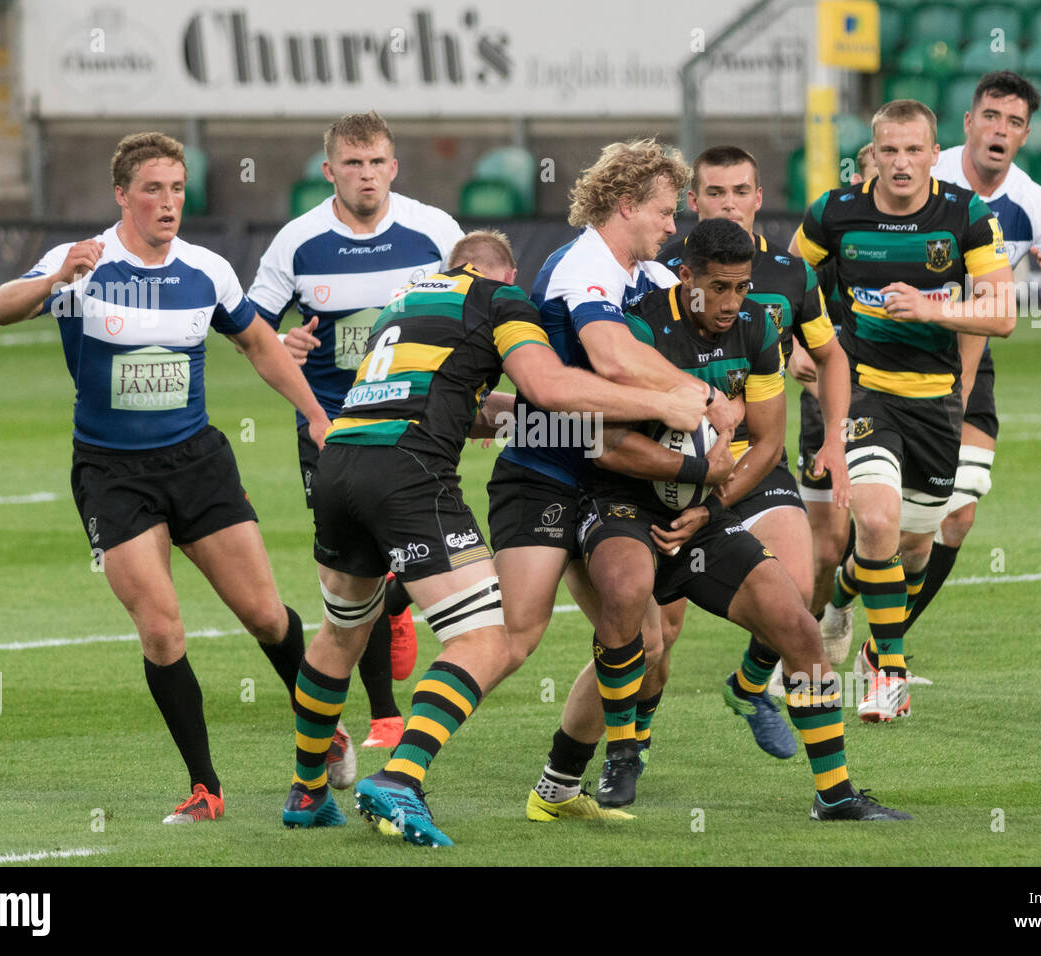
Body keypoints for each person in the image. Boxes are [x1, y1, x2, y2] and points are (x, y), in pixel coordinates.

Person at [279, 230, 709, 846]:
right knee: (488, 638)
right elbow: (550, 386)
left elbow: (466, 403)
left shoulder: (408, 302)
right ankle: (401, 777)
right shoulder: (501, 301)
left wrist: (533, 418)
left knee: (341, 631)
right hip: (407, 473)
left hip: (341, 463)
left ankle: (307, 792)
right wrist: (661, 401)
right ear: (501, 274)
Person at [0, 132, 333, 824]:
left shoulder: (206, 269)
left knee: (266, 615)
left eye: (176, 188)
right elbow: (0, 307)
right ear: (122, 195)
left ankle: (326, 732)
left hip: (198, 462)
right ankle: (207, 787)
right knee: (163, 632)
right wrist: (56, 281)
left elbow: (258, 342)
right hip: (113, 474)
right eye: (152, 188)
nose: (167, 202)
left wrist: (316, 414)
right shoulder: (82, 261)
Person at [528, 218, 910, 822]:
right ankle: (623, 750)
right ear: (687, 278)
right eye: (720, 288)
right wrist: (695, 473)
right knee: (631, 598)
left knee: (798, 625)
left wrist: (709, 505)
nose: (733, 302)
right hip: (621, 503)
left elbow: (765, 442)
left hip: (705, 510)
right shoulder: (639, 327)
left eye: (742, 286)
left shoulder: (759, 325)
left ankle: (835, 794)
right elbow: (602, 444)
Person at [484, 140, 742, 811]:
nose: (671, 225)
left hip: (605, 483)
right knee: (513, 639)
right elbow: (613, 356)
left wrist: (743, 377)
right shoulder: (583, 266)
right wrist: (695, 396)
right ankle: (404, 768)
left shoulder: (652, 279)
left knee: (650, 637)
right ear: (624, 205)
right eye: (662, 211)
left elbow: (707, 338)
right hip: (545, 473)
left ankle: (559, 783)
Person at [248, 111, 462, 766]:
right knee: (350, 571)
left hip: (415, 425)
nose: (366, 175)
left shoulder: (434, 233)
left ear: (393, 168)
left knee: (388, 569)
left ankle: (398, 607)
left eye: (377, 163)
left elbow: (475, 311)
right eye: (353, 164)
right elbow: (252, 327)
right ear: (330, 171)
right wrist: (283, 343)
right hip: (331, 427)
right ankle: (387, 716)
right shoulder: (297, 242)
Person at [792, 100, 1017, 723]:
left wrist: (932, 308)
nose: (900, 163)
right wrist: (791, 346)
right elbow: (781, 282)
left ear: (933, 151)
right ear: (874, 150)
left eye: (913, 150)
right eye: (888, 150)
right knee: (875, 518)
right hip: (863, 389)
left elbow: (1002, 315)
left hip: (934, 403)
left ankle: (843, 604)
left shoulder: (965, 215)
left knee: (915, 548)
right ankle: (891, 674)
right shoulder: (833, 212)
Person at [865, 71, 1041, 654]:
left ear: (1024, 136)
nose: (1000, 130)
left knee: (956, 517)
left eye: (1014, 122)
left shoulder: (1032, 203)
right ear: (968, 124)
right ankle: (830, 619)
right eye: (990, 116)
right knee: (877, 520)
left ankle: (880, 654)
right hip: (886, 352)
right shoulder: (921, 166)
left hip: (967, 352)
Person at [636, 145, 849, 755]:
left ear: (759, 197)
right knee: (660, 634)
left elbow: (831, 355)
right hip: (674, 467)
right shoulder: (660, 273)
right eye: (715, 193)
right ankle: (635, 745)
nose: (729, 202)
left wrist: (834, 436)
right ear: (692, 202)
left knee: (798, 588)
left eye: (741, 191)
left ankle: (750, 685)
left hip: (756, 458)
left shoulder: (790, 273)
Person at [798, 142, 876, 646]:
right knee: (826, 547)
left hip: (897, 403)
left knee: (883, 529)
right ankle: (813, 629)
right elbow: (787, 304)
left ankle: (884, 644)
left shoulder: (927, 245)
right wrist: (792, 354)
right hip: (828, 403)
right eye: (867, 179)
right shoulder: (830, 247)